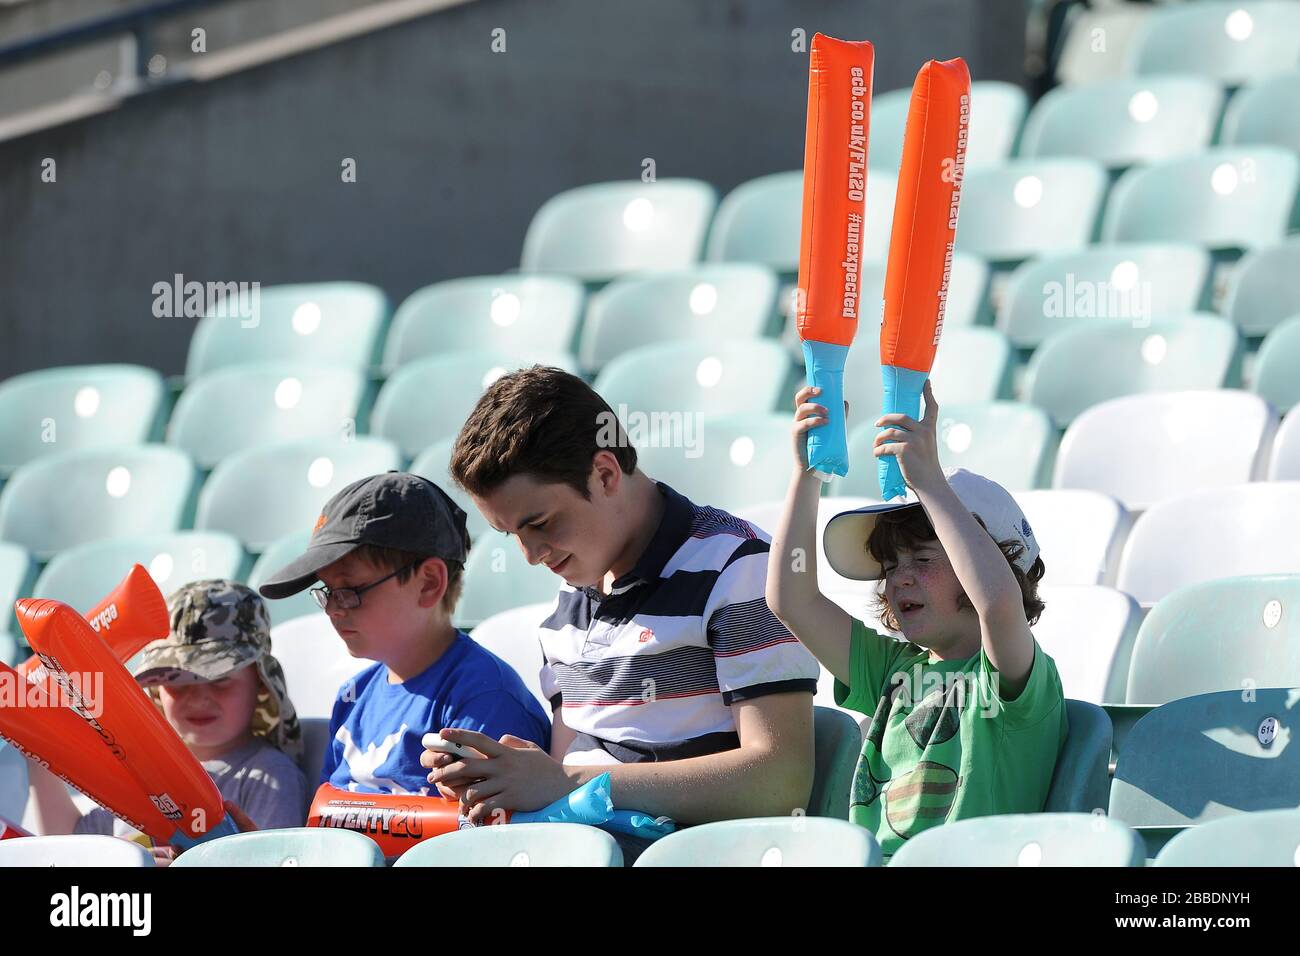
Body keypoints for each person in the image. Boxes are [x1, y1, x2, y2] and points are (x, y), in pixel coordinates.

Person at [425, 366, 820, 860]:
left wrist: (566, 780)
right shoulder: (563, 610)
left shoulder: (739, 567)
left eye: (540, 523)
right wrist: (506, 780)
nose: (530, 554)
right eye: (512, 535)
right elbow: (572, 774)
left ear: (606, 473)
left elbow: (779, 782)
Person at [766, 380, 1066, 859]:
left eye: (924, 560)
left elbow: (999, 605)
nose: (899, 579)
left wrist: (929, 482)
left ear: (993, 562)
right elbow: (791, 598)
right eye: (890, 566)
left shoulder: (1014, 678)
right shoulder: (891, 668)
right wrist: (807, 475)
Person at [256, 472, 550, 796]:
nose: (333, 609)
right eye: (328, 591)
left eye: (351, 589)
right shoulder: (352, 696)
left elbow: (493, 839)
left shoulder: (484, 699)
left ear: (428, 584)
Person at [26, 580, 308, 853]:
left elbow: (272, 861)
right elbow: (71, 844)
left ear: (261, 682)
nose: (198, 698)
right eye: (177, 681)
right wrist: (35, 741)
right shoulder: (144, 769)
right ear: (157, 691)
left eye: (220, 679)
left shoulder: (269, 775)